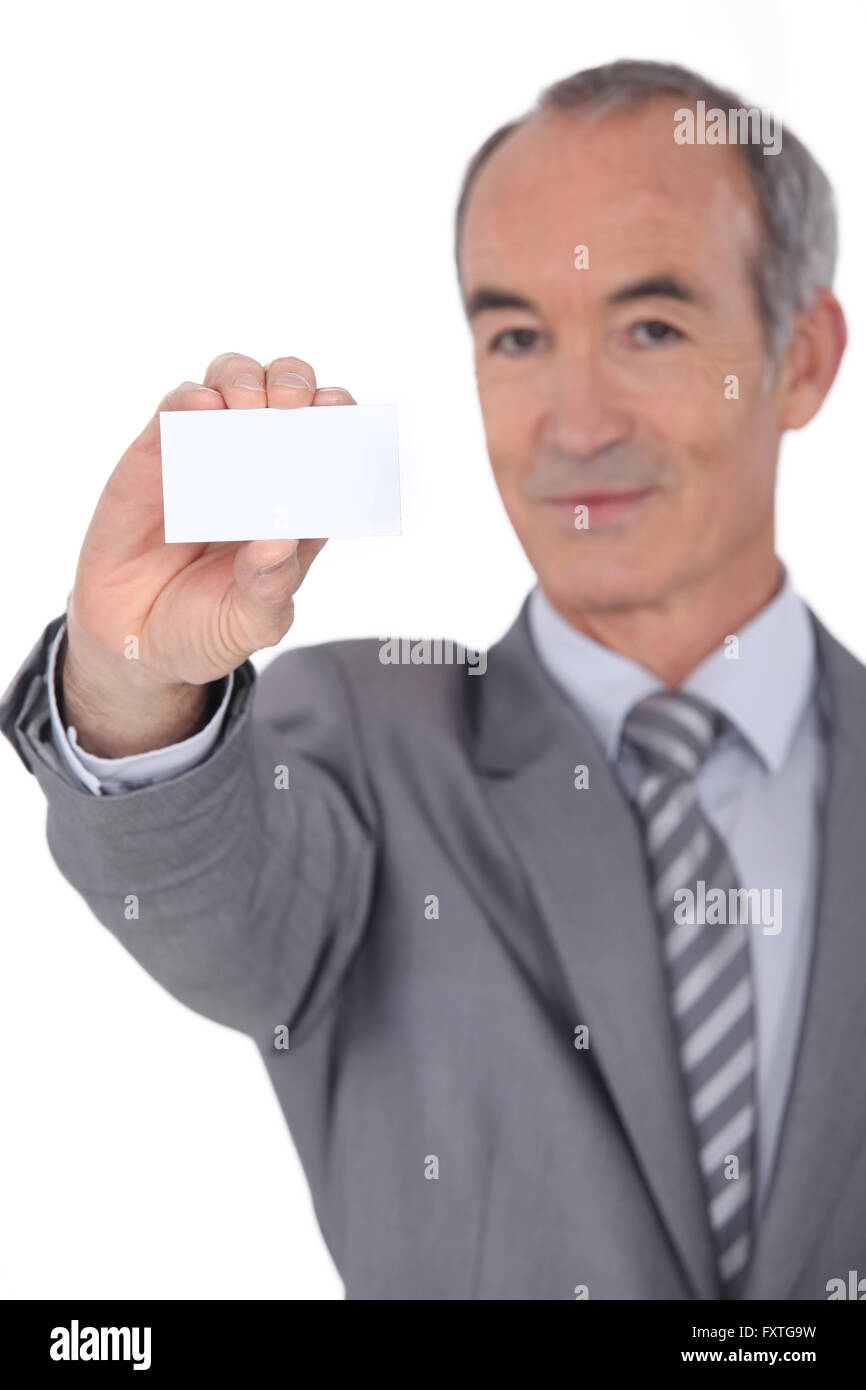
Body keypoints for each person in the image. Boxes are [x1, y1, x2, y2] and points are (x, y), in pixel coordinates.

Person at [2, 58, 862, 1301]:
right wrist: (132, 684)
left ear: (800, 357)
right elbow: (211, 885)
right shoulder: (361, 742)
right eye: (515, 335)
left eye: (651, 327)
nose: (572, 424)